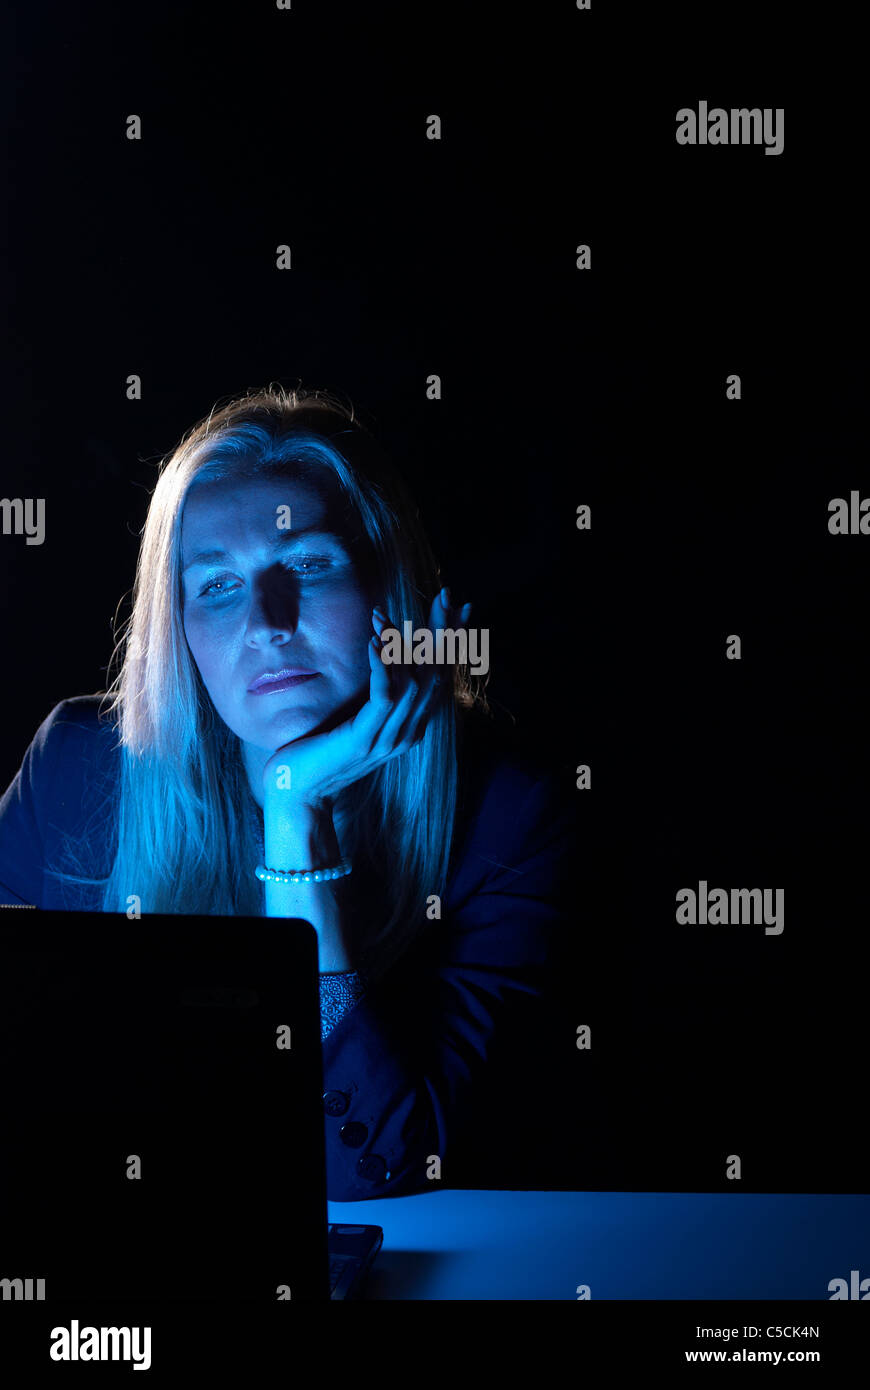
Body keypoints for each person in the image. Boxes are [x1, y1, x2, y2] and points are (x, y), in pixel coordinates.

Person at [0, 385, 574, 1199]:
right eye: (217, 586)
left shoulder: (505, 815)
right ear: (181, 629)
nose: (267, 622)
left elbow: (378, 1168)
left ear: (388, 591)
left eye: (308, 564)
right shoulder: (76, 766)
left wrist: (293, 813)